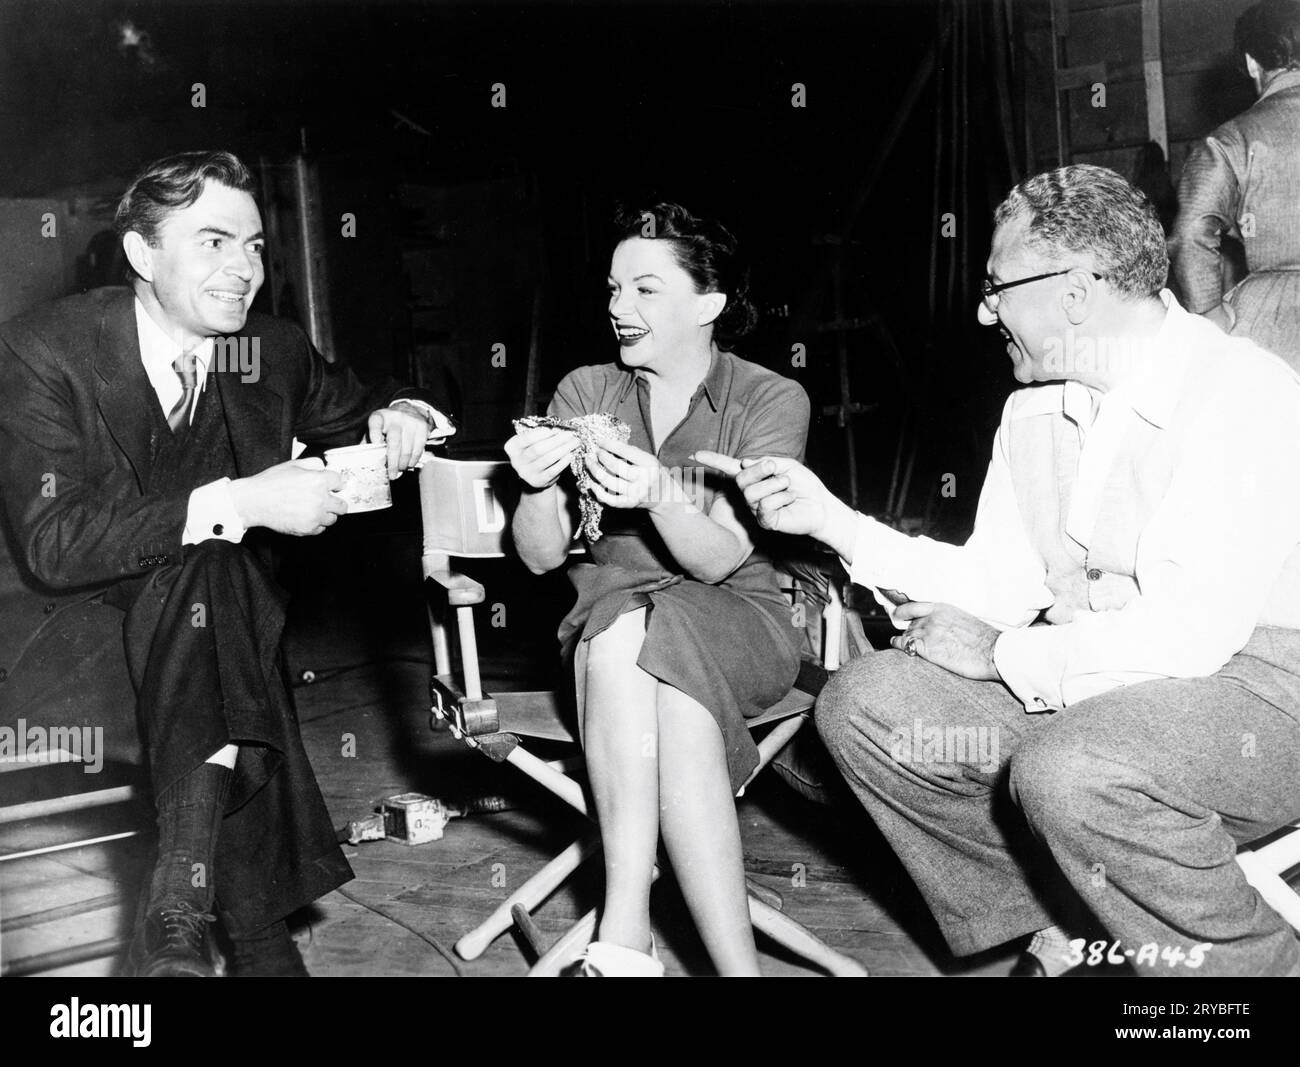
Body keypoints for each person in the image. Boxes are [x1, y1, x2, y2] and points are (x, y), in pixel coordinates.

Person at [699, 164, 1300, 978]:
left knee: (1075, 768)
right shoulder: (1034, 409)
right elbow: (996, 585)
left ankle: (1250, 971)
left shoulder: (1240, 393)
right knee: (870, 703)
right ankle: (1059, 924)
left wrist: (998, 655)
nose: (985, 311)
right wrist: (829, 519)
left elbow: (1188, 639)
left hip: (1263, 692)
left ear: (1077, 292)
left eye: (998, 286)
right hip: (1109, 691)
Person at [0, 150, 451, 977]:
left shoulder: (268, 350)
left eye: (253, 247)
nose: (243, 268)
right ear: (142, 255)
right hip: (72, 649)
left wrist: (403, 414)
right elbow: (55, 541)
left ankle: (180, 911)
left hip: (211, 648)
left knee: (214, 582)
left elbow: (365, 405)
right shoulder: (42, 349)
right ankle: (256, 939)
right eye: (213, 242)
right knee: (218, 562)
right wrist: (242, 501)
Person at [505, 203, 809, 976]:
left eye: (645, 289)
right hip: (618, 628)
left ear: (709, 304)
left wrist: (659, 497)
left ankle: (625, 936)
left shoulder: (771, 399)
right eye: (612, 288)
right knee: (646, 656)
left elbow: (718, 564)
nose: (617, 308)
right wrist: (537, 489)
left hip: (742, 623)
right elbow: (540, 561)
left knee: (635, 633)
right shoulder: (586, 390)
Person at [1170, 0, 1300, 367]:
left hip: (1272, 321)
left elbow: (1189, 233)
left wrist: (1210, 311)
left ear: (1251, 62)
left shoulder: (1229, 141)